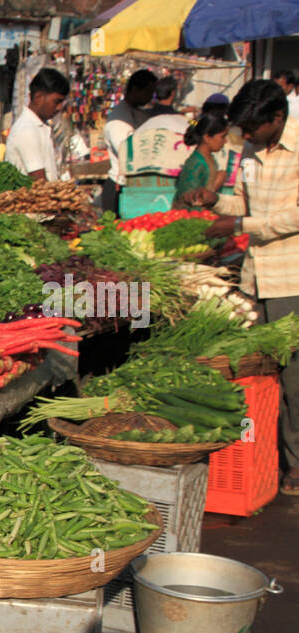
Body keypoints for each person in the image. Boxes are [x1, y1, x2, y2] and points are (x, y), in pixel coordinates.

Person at [186, 80, 299, 495]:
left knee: (294, 380)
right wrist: (215, 202)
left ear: (277, 119)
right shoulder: (251, 150)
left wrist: (240, 224)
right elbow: (243, 205)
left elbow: (294, 215)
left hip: (292, 277)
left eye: (252, 129)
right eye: (242, 131)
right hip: (255, 275)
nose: (245, 137)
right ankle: (262, 461)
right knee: (258, 374)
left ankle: (296, 465)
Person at [100, 70, 157, 213]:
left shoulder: (142, 114)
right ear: (135, 89)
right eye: (148, 92)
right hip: (120, 187)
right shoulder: (118, 120)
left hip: (135, 186)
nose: (151, 97)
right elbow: (128, 154)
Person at [5, 68, 70, 183]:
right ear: (38, 98)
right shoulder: (27, 129)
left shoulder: (40, 127)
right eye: (57, 102)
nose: (59, 108)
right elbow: (39, 180)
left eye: (62, 103)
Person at [174, 113, 230, 208]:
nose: (225, 141)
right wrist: (217, 183)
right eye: (222, 137)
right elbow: (189, 199)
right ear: (207, 138)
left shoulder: (209, 159)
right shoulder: (195, 164)